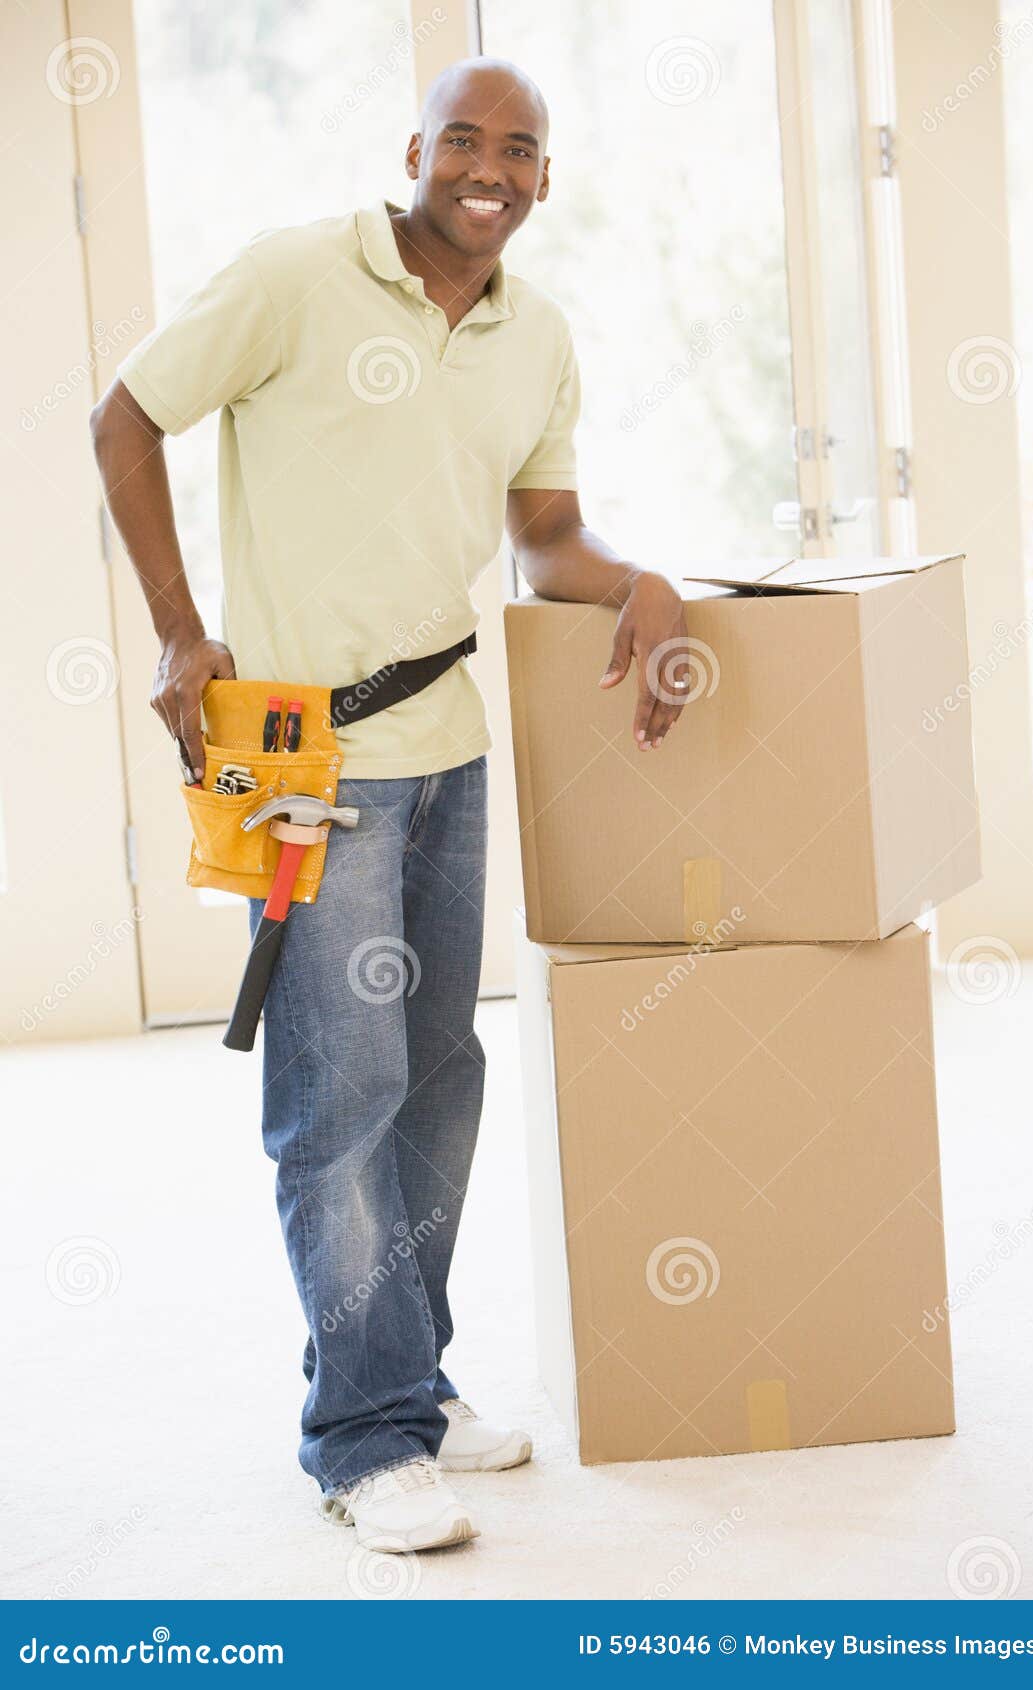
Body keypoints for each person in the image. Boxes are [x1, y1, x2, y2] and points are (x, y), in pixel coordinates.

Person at [91, 55, 690, 1554]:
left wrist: (647, 581)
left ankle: (402, 1380)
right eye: (464, 141)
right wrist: (178, 625)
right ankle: (362, 1438)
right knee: (335, 1100)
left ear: (545, 180)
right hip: (302, 761)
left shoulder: (533, 333)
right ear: (413, 150)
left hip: (450, 743)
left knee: (436, 1076)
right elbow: (124, 415)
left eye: (520, 150)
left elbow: (545, 537)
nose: (489, 169)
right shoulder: (297, 278)